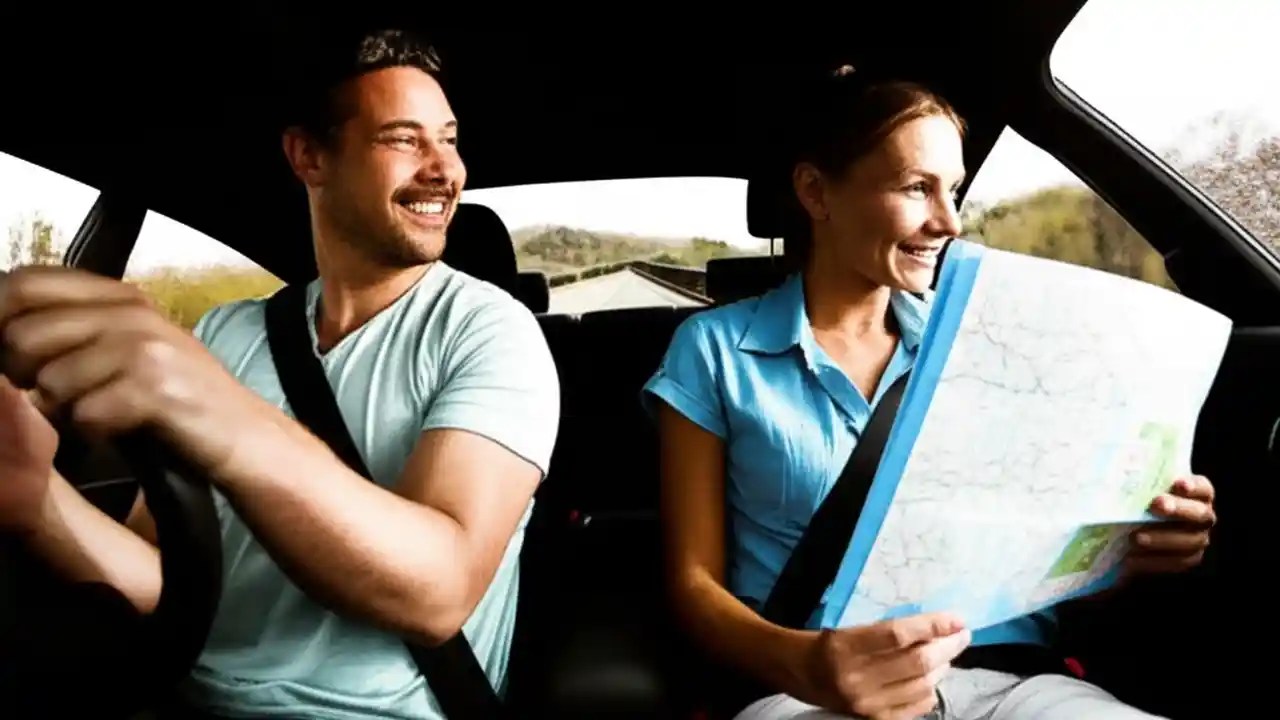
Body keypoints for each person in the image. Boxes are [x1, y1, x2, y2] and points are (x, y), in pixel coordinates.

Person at [0, 28, 560, 719]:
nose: (446, 169)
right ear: (308, 156)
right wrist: (36, 503)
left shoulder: (490, 331)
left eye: (448, 139)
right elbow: (162, 578)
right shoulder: (227, 333)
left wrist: (226, 419)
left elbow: (437, 591)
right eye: (404, 139)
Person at [641, 66, 1216, 720]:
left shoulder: (992, 342)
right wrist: (806, 663)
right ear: (816, 193)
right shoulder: (713, 350)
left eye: (954, 192)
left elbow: (1030, 552)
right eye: (917, 188)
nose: (948, 222)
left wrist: (1133, 547)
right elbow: (693, 585)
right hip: (811, 692)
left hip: (1012, 683)